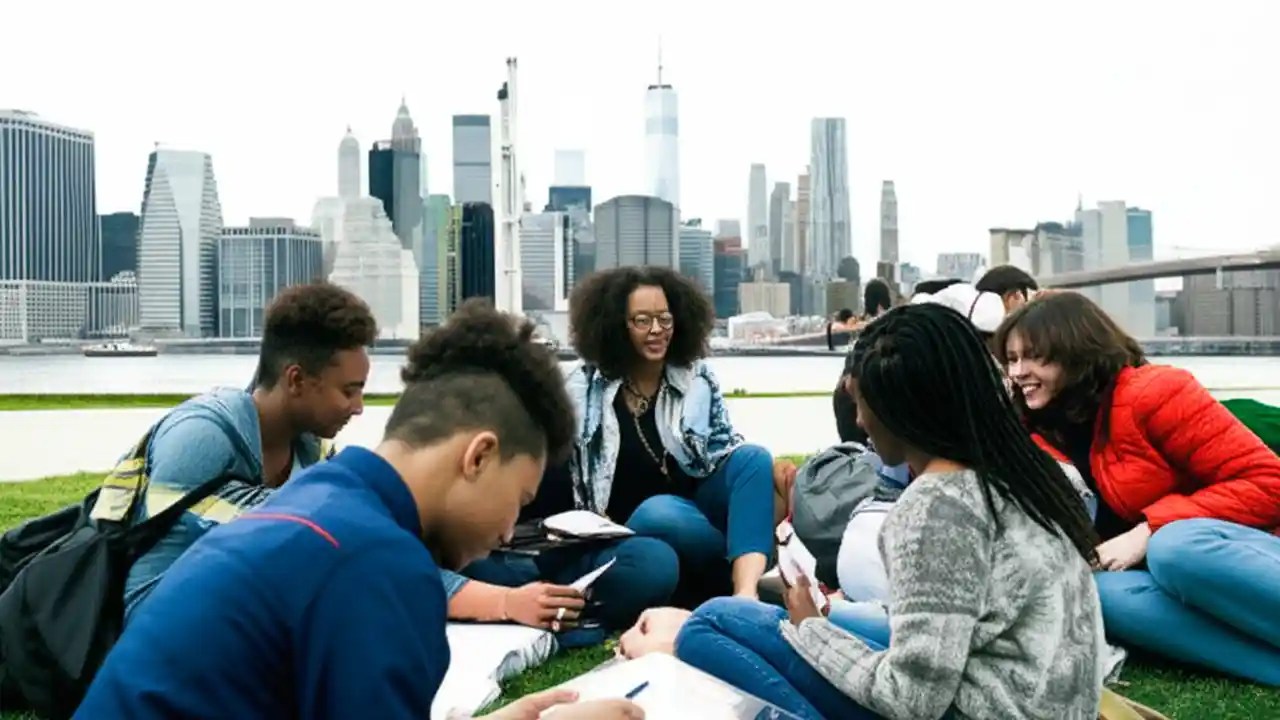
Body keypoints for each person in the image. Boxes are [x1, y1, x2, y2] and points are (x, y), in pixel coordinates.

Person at [74, 299, 644, 720]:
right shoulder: (376, 564)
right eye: (518, 501)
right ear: (478, 456)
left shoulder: (324, 501)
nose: (505, 533)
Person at [671, 303, 1106, 720]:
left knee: (710, 623)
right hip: (1039, 701)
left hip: (976, 707)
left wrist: (812, 631)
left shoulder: (936, 508)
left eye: (861, 403)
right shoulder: (1027, 473)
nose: (859, 421)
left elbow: (912, 701)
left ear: (900, 407)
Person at [996, 291, 1280, 686]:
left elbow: (1269, 482)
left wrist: (1148, 531)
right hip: (1163, 578)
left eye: (1033, 357)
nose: (1018, 372)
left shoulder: (1155, 392)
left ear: (1076, 352)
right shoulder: (1033, 432)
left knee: (1175, 547)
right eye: (1011, 360)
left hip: (1236, 551)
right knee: (1096, 595)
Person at [102, 282, 378, 621]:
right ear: (296, 380)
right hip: (159, 634)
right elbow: (309, 525)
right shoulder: (200, 436)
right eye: (349, 392)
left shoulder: (312, 453)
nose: (358, 407)